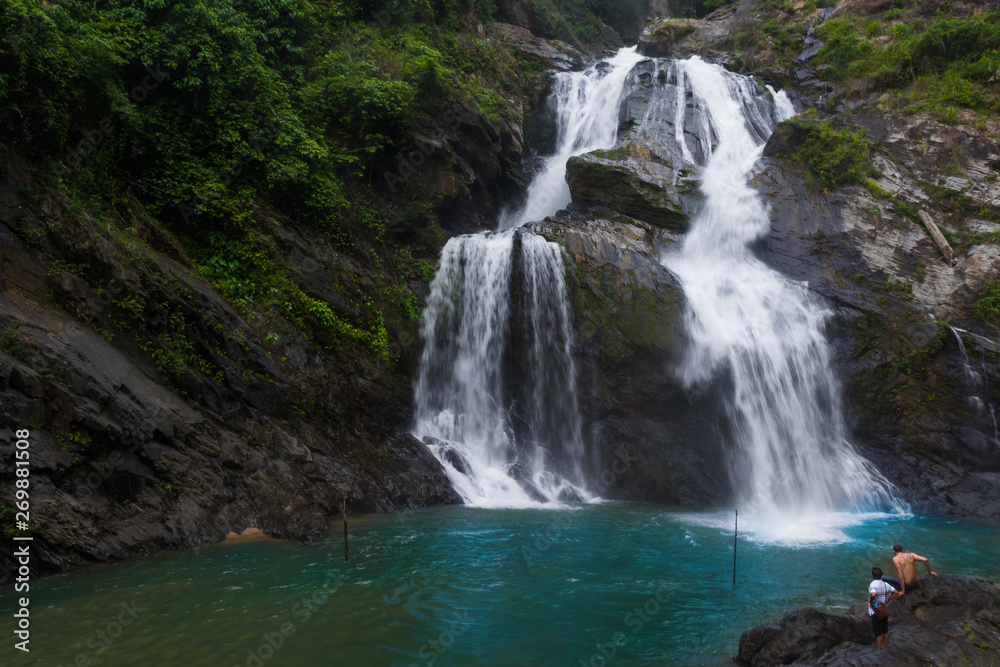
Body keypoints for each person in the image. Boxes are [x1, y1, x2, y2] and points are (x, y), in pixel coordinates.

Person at [869, 566, 900, 648]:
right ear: (881, 576)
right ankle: (886, 646)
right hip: (884, 609)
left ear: (873, 576)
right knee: (885, 630)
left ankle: (880, 648)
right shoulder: (886, 584)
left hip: (875, 610)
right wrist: (888, 600)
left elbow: (873, 594)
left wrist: (871, 601)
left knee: (878, 632)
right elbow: (896, 592)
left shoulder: (873, 584)